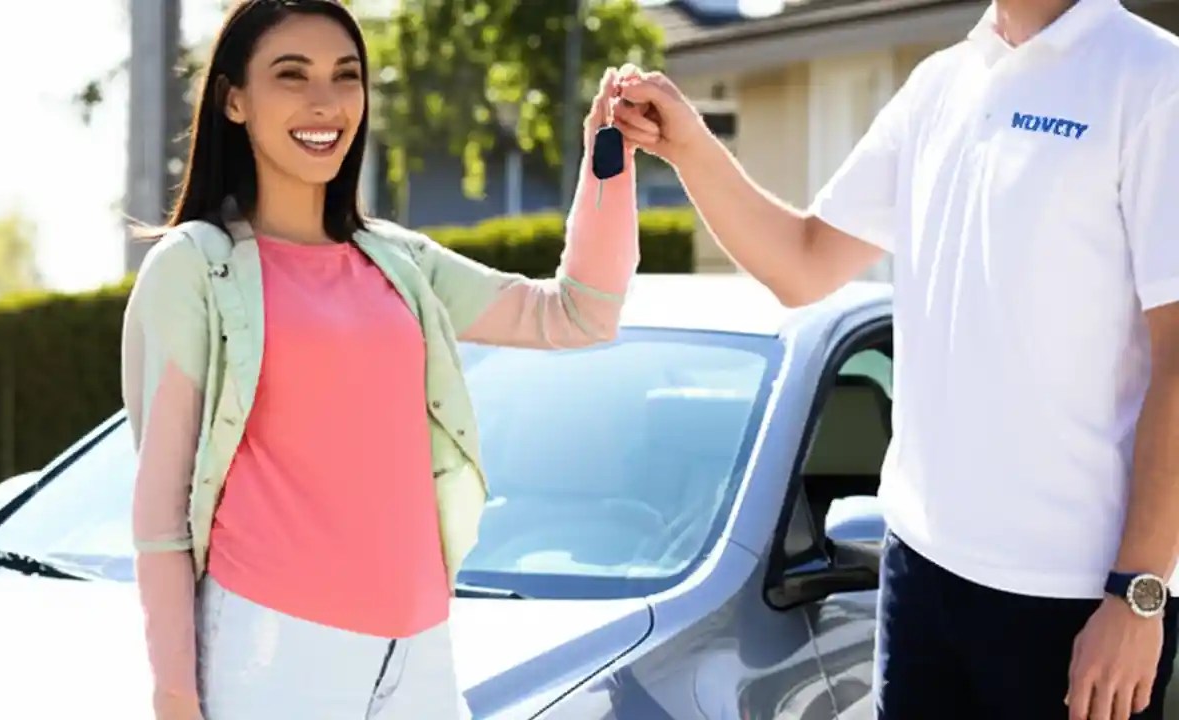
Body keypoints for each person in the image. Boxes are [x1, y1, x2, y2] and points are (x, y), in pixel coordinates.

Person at [609, 0, 1179, 717]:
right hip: (918, 577)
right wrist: (689, 145)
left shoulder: (1156, 82)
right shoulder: (940, 84)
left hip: (1071, 600)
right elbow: (803, 261)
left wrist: (1139, 593)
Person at [119, 1, 641, 718]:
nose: (325, 102)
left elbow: (579, 312)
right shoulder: (195, 267)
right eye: (291, 75)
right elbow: (160, 510)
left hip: (420, 639)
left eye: (346, 76)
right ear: (234, 100)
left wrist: (606, 163)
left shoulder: (398, 262)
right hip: (275, 642)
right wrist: (175, 694)